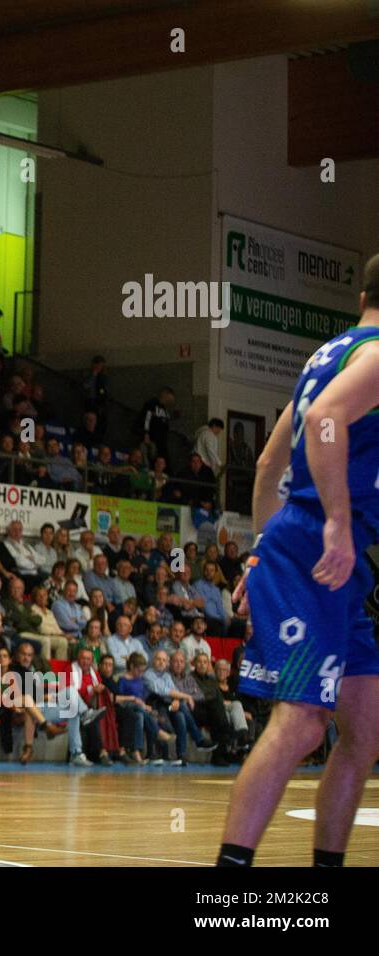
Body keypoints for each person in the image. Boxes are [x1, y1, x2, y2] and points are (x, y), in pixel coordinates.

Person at [220, 256, 379, 867]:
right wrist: (336, 519)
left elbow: (266, 465)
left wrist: (259, 554)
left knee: (363, 727)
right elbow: (323, 420)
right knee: (303, 721)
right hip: (320, 543)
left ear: (362, 292)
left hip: (321, 552)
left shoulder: (328, 355)